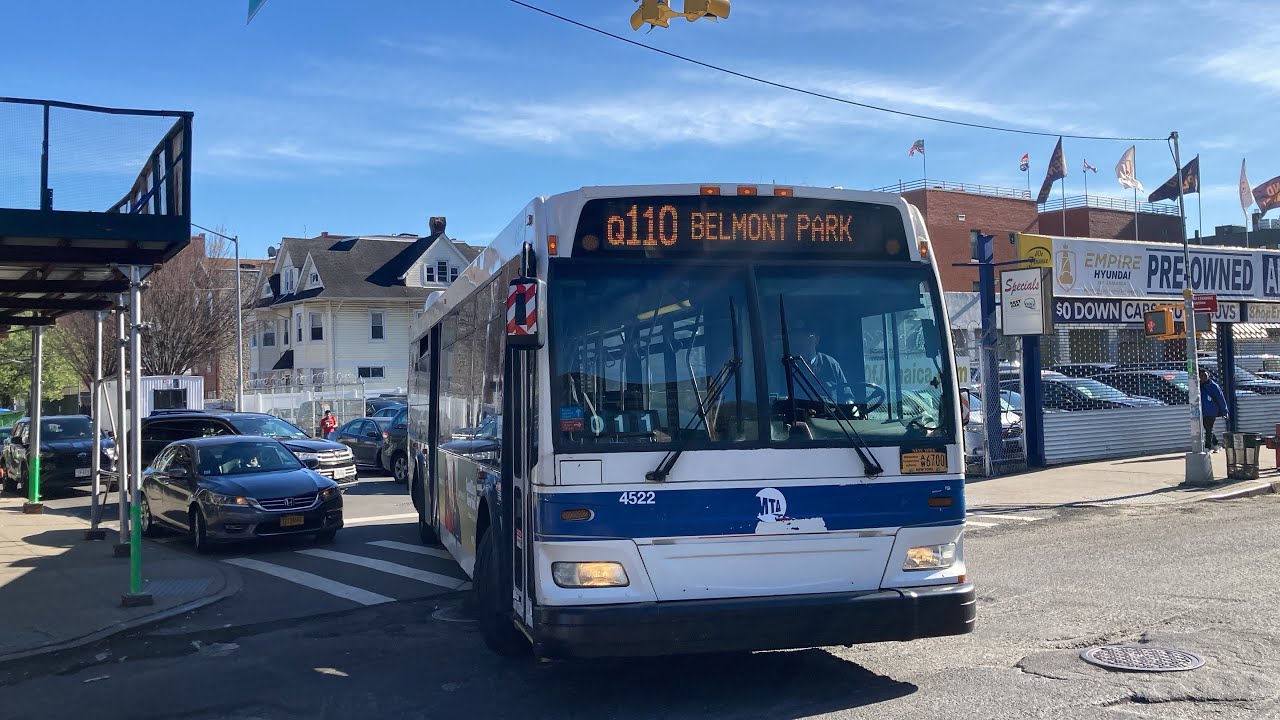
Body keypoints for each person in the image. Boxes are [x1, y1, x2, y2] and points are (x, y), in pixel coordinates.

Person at [791, 323, 853, 403]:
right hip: (799, 414)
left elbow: (847, 397)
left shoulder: (831, 364)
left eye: (808, 337)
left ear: (816, 340)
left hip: (830, 415)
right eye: (799, 338)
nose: (803, 341)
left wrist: (852, 409)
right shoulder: (789, 365)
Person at [1199, 368, 1228, 450]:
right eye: (1201, 376)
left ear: (1208, 376)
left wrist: (1224, 411)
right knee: (1208, 429)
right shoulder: (1198, 386)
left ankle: (1207, 447)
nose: (1203, 377)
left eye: (1205, 376)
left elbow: (1220, 399)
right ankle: (1216, 444)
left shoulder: (1214, 386)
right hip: (1202, 411)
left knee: (1208, 428)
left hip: (1211, 411)